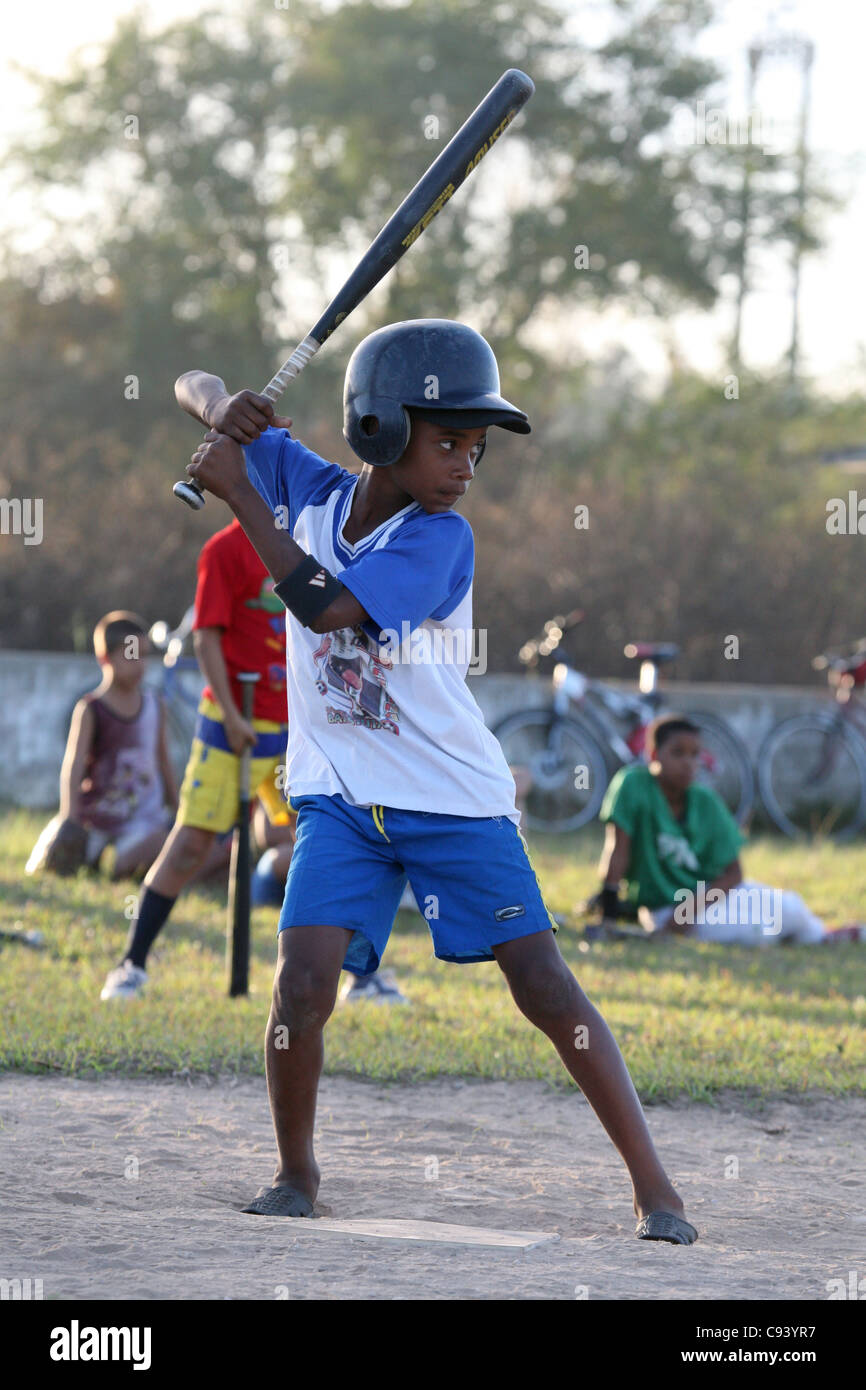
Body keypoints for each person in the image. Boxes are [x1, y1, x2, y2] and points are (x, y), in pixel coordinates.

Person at [174, 318, 697, 1245]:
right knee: (301, 986)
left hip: (451, 797)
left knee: (541, 982)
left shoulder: (440, 539)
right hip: (340, 794)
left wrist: (238, 499)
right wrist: (228, 409)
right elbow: (194, 376)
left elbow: (327, 610)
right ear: (378, 428)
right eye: (446, 440)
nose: (464, 463)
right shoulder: (307, 484)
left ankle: (658, 1189)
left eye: (475, 447)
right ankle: (297, 1175)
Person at [99, 522, 293, 1000]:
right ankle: (132, 965)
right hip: (233, 727)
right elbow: (206, 638)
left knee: (324, 847)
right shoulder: (224, 550)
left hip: (295, 729)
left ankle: (361, 977)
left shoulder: (305, 541)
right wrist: (231, 717)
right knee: (190, 844)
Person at [598, 714, 864, 945]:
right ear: (654, 754)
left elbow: (734, 873)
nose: (688, 763)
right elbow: (617, 850)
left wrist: (692, 907)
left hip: (709, 897)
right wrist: (608, 912)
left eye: (695, 754)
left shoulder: (705, 800)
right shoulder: (633, 785)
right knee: (756, 932)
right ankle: (803, 938)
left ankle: (822, 937)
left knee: (790, 906)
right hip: (665, 909)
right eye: (678, 753)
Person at [26, 611, 175, 880]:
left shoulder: (156, 706)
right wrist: (69, 820)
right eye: (131, 654)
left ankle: (125, 862)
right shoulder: (91, 709)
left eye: (144, 654)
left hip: (144, 820)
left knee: (162, 844)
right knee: (63, 861)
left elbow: (163, 760)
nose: (140, 663)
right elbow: (73, 766)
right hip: (98, 819)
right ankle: (109, 863)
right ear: (105, 658)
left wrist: (177, 809)